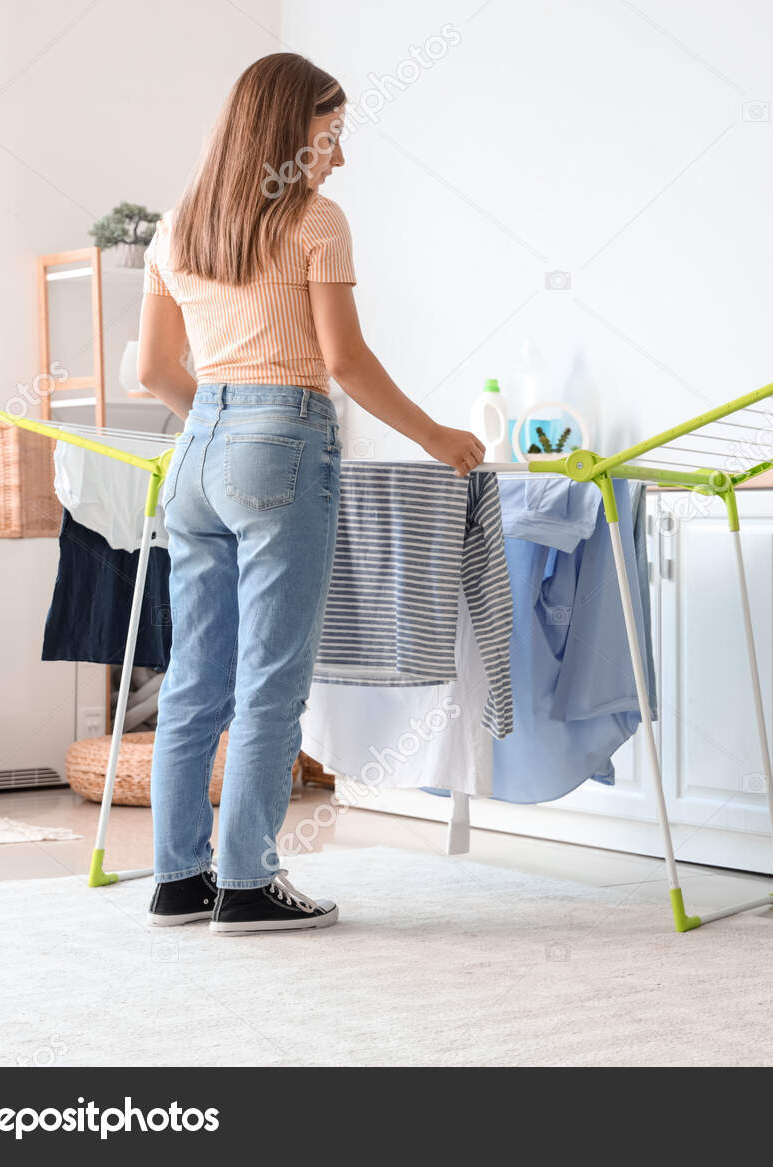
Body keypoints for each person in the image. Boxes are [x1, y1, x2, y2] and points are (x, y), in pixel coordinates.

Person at [136, 53, 484, 933]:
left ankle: (179, 879)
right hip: (282, 444)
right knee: (270, 677)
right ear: (290, 130)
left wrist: (222, 425)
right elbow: (345, 361)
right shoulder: (314, 220)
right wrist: (438, 437)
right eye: (331, 135)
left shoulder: (177, 228)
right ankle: (249, 884)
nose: (340, 156)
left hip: (195, 453)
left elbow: (153, 371)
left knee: (193, 678)